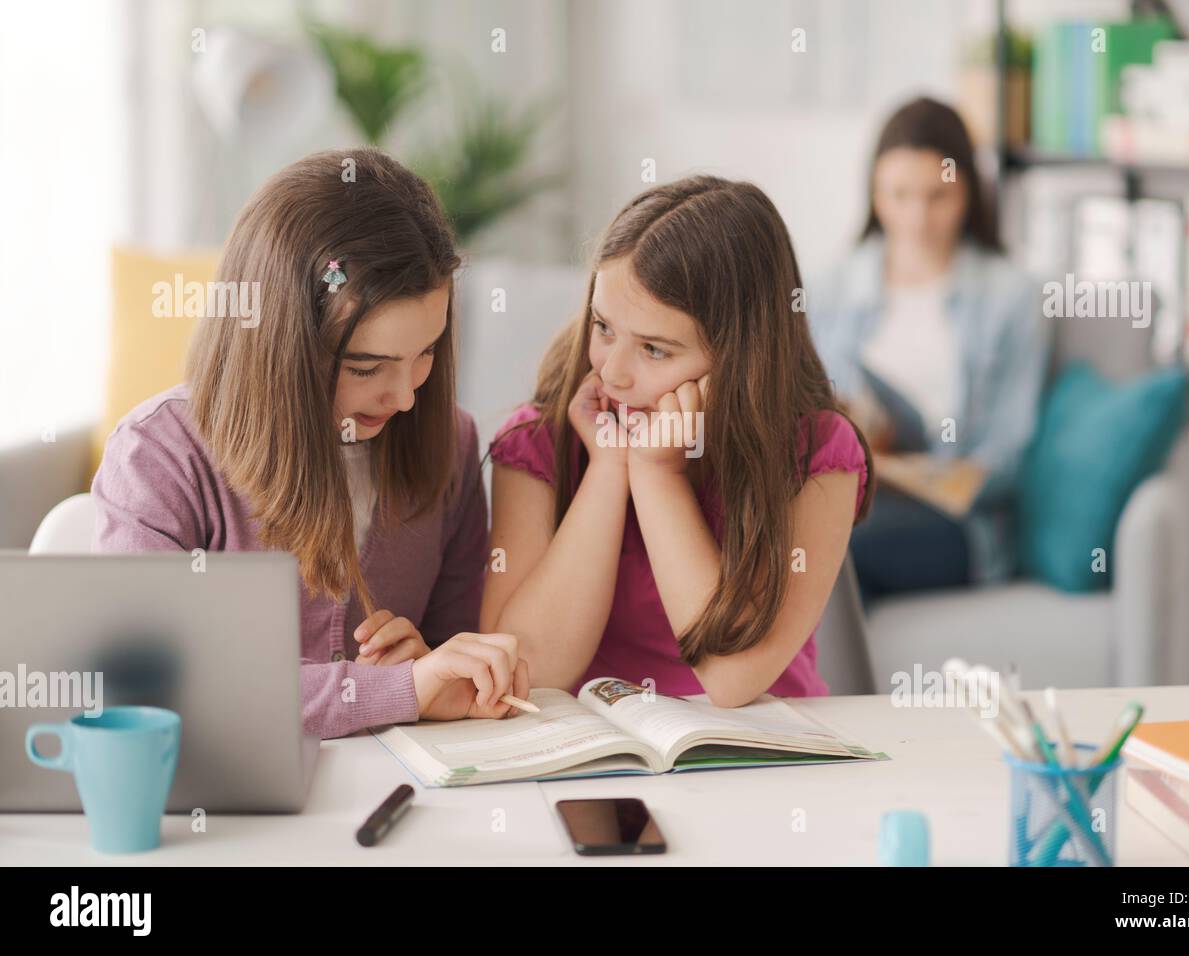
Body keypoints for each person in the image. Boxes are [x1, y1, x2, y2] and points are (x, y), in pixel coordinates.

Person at [92, 148, 529, 739]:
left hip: (391, 799)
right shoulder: (157, 459)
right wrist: (392, 690)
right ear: (276, 345)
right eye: (367, 366)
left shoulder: (449, 440)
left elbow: (454, 651)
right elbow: (154, 688)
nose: (404, 398)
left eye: (424, 353)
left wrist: (435, 667)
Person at [482, 175, 873, 707]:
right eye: (603, 327)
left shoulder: (819, 454)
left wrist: (656, 474)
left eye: (655, 350)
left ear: (740, 361)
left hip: (768, 759)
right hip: (599, 750)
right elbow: (528, 668)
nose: (613, 373)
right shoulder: (538, 442)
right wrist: (608, 469)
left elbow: (732, 677)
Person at [809, 97, 1048, 601]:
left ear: (969, 193)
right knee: (796, 532)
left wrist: (931, 479)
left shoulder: (1012, 296)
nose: (917, 218)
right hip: (850, 495)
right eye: (899, 195)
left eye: (937, 197)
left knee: (831, 544)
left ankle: (810, 681)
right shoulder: (829, 289)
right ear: (873, 192)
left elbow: (1010, 451)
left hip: (958, 521)